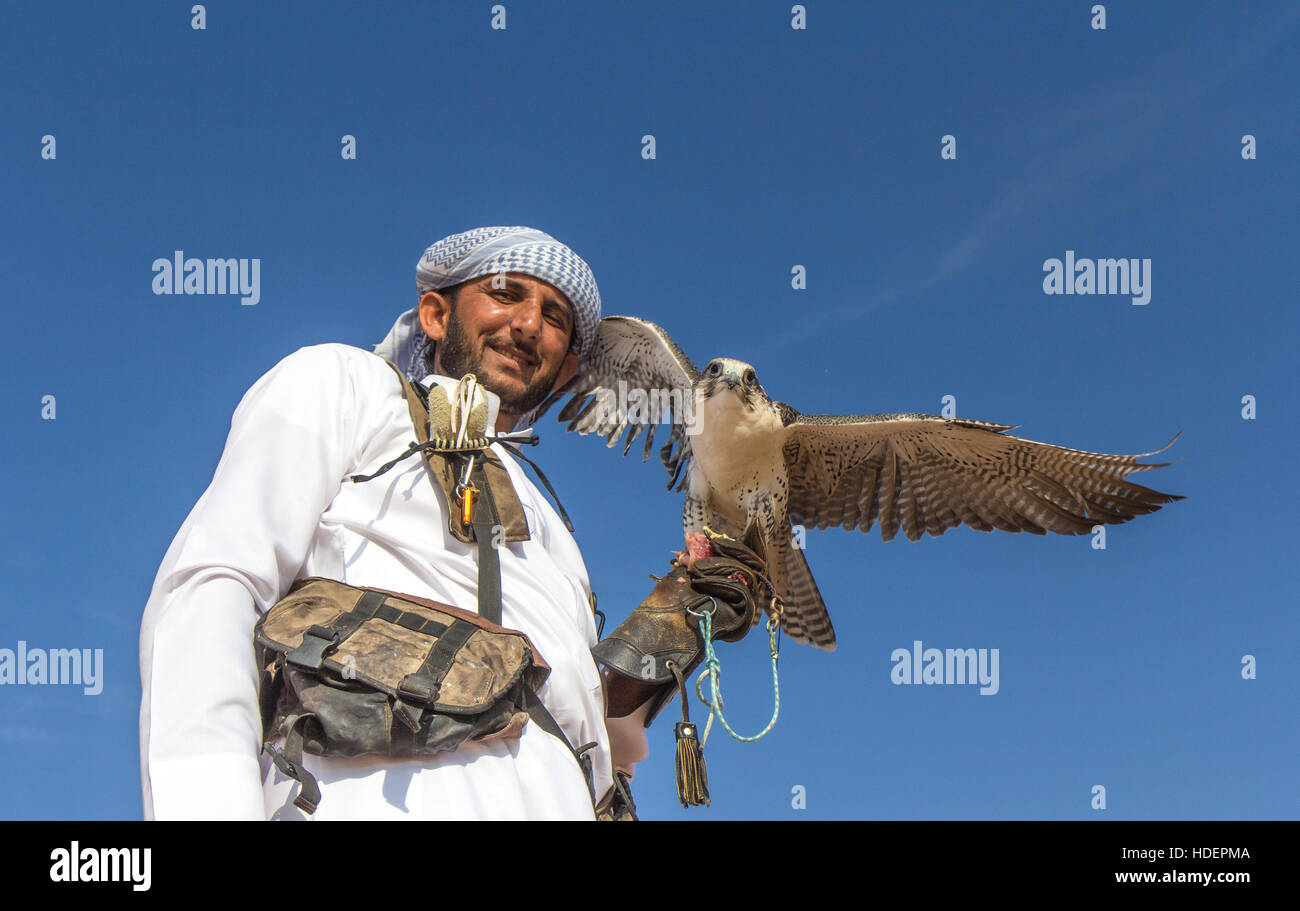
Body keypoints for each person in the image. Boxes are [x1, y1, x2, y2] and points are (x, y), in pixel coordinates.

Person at [138, 226, 650, 820]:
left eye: (556, 317)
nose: (530, 325)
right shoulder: (348, 386)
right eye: (506, 294)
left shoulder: (556, 528)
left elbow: (584, 718)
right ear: (435, 314)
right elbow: (216, 582)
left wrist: (684, 617)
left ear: (565, 374)